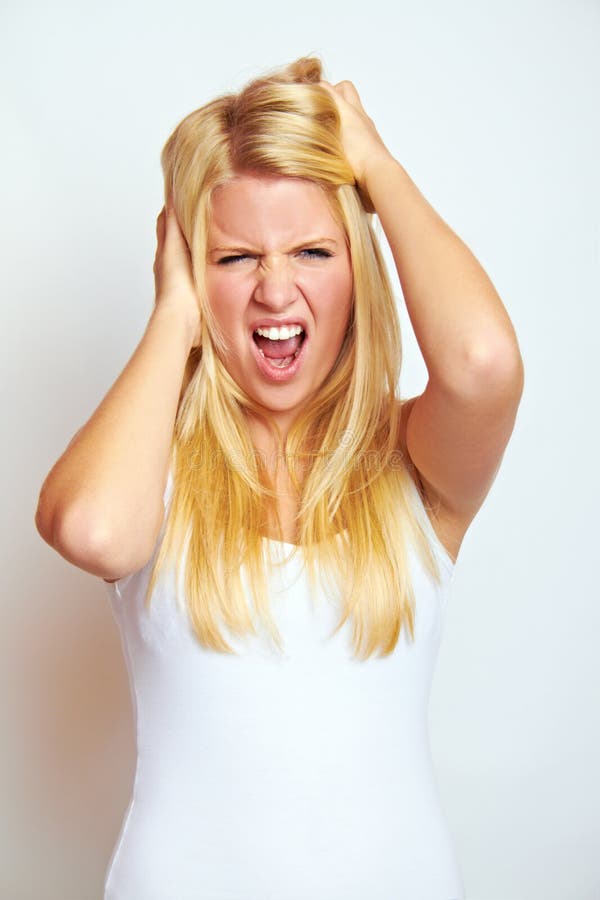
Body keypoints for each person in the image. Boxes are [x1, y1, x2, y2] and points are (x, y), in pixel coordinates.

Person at [35, 57, 524, 900]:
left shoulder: (416, 465)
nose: (275, 288)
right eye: (234, 258)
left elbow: (482, 363)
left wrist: (375, 167)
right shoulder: (155, 475)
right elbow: (92, 531)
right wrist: (174, 315)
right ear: (192, 270)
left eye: (311, 249)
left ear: (357, 271)